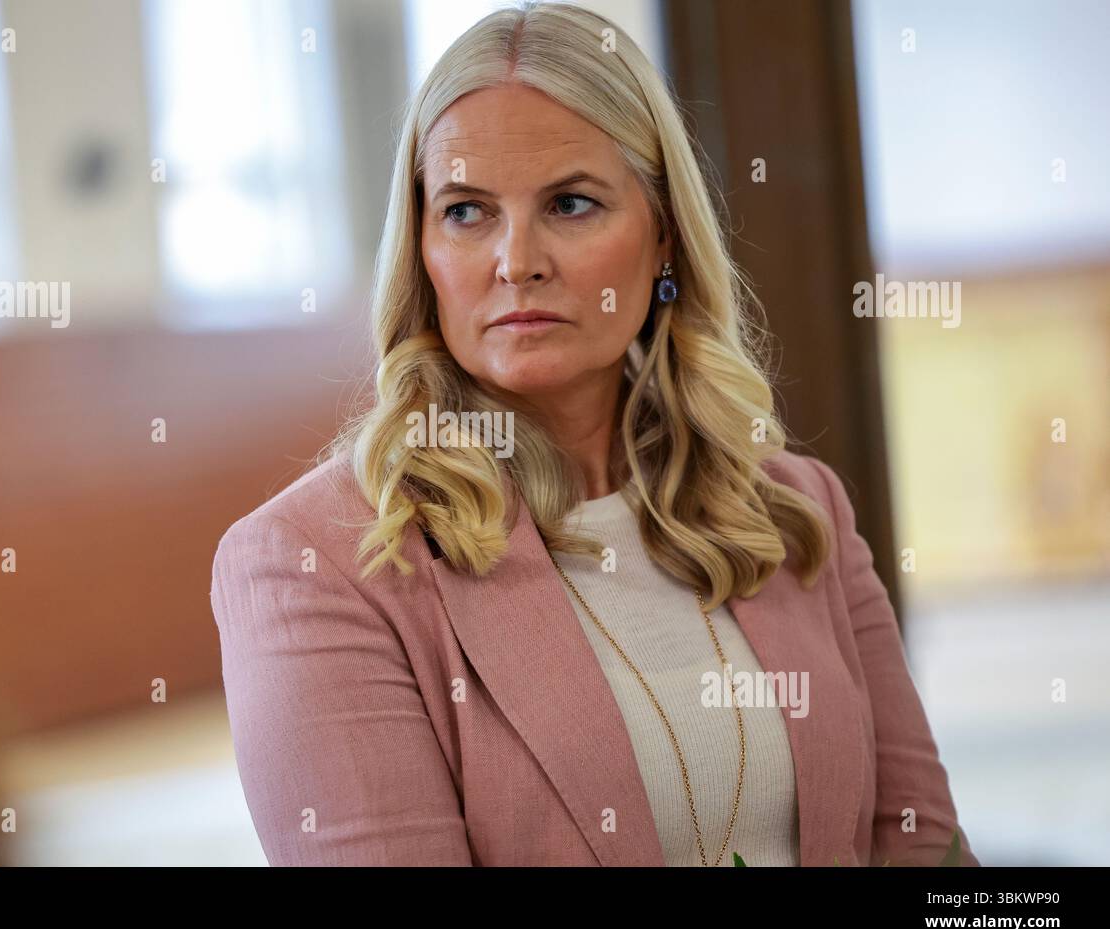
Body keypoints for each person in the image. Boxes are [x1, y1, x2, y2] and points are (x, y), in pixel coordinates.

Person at [210, 0, 978, 867]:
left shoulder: (797, 511)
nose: (516, 260)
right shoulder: (316, 562)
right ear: (420, 248)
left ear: (663, 241)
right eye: (466, 211)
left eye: (571, 203)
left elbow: (929, 857)